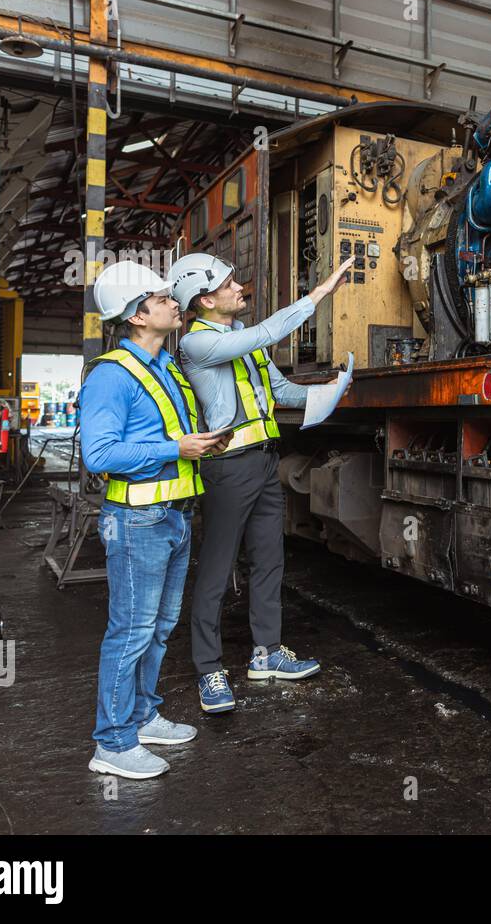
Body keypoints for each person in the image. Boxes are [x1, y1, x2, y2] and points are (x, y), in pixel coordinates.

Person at [168, 252, 352, 714]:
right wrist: (317, 295)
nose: (239, 289)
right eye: (229, 285)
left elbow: (281, 391)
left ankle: (267, 654)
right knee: (215, 569)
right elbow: (268, 331)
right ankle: (209, 669)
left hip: (265, 462)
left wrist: (330, 390)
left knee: (270, 560)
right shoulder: (197, 344)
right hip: (227, 469)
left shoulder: (240, 341)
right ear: (206, 299)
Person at [81, 261, 231, 779]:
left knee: (160, 628)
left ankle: (142, 717)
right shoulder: (111, 376)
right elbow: (99, 454)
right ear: (137, 314)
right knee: (131, 631)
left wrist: (198, 446)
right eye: (165, 298)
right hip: (138, 520)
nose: (175, 303)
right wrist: (175, 446)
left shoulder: (165, 367)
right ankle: (113, 743)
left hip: (174, 516)